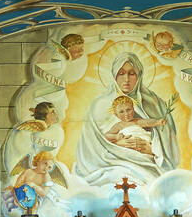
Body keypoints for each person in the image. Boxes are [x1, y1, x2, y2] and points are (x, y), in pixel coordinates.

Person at [74, 52, 179, 187]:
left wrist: (152, 149)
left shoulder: (154, 103)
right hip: (107, 163)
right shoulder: (98, 105)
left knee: (150, 184)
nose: (126, 79)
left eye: (131, 73)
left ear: (139, 75)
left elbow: (168, 142)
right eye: (121, 73)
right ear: (114, 75)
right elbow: (90, 147)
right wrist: (119, 144)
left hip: (147, 161)